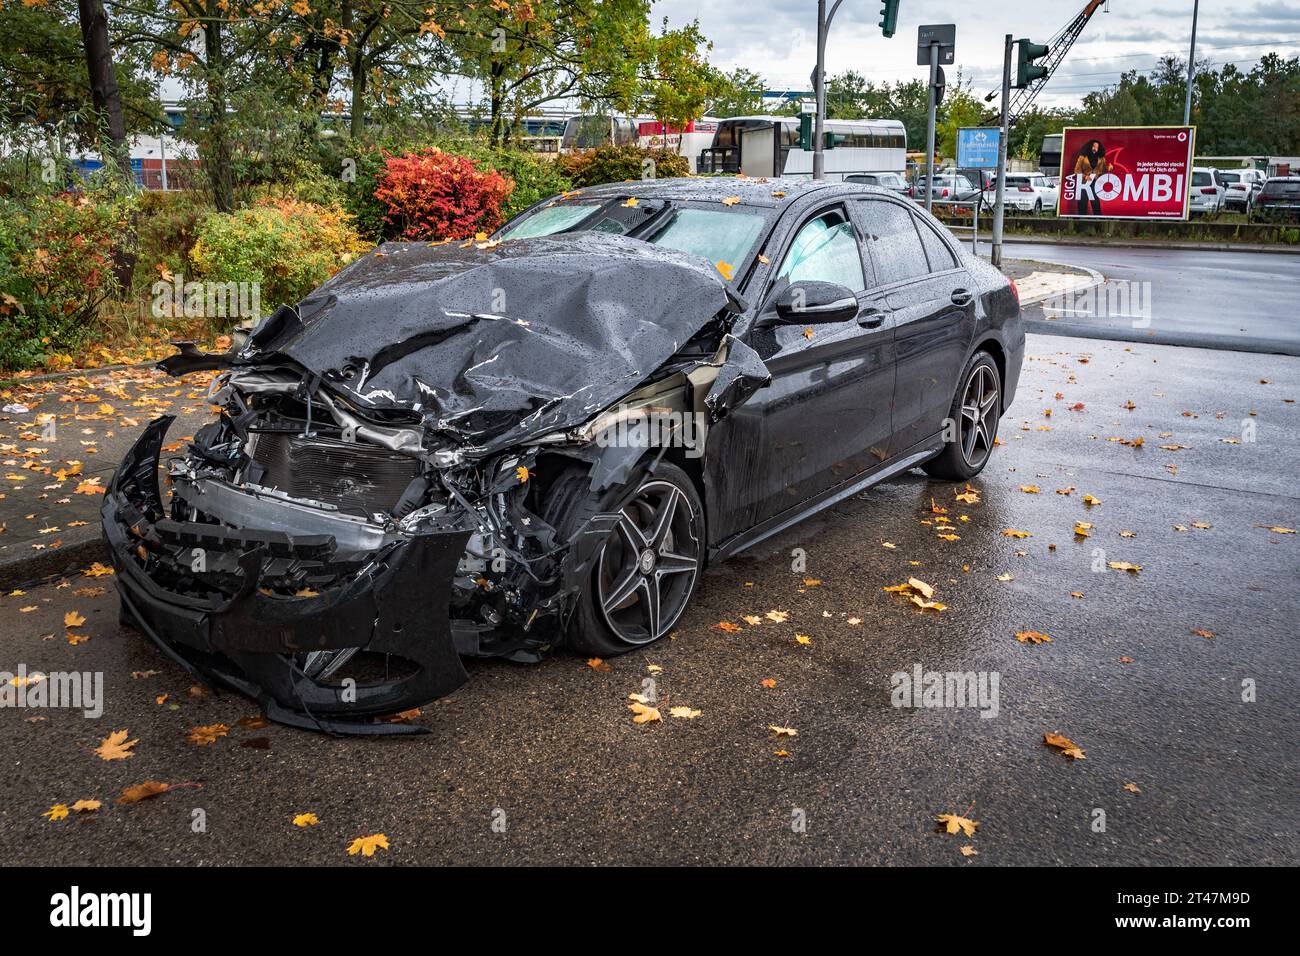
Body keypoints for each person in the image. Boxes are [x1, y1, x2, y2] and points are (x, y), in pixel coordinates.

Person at [1072, 139, 1108, 216]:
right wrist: (1085, 177)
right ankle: (1081, 223)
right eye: (1094, 146)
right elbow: (1076, 171)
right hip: (1084, 184)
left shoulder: (1101, 159)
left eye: (1097, 147)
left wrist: (1108, 169)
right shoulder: (1082, 157)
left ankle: (1098, 223)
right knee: (1082, 203)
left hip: (1095, 183)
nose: (1095, 149)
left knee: (1096, 204)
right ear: (1090, 147)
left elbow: (1103, 171)